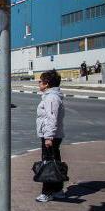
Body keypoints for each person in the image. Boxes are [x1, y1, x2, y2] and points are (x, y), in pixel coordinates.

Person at [35, 69, 65, 202]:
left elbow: (51, 118)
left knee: (47, 163)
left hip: (50, 136)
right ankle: (58, 190)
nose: (38, 83)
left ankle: (46, 192)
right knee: (54, 162)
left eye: (40, 81)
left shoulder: (51, 98)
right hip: (53, 135)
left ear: (47, 84)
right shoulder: (50, 97)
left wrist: (48, 137)